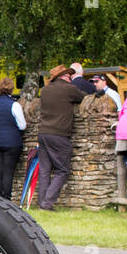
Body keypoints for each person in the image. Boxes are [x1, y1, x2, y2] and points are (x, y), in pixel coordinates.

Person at [36, 65, 87, 210]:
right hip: (59, 133)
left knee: (45, 170)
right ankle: (47, 203)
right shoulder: (68, 89)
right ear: (63, 76)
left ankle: (42, 203)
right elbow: (83, 97)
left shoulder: (45, 90)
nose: (70, 78)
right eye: (68, 75)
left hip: (43, 132)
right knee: (62, 170)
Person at [0, 78, 26, 201]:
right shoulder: (14, 105)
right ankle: (7, 198)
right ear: (11, 89)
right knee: (8, 171)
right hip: (11, 142)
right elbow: (22, 125)